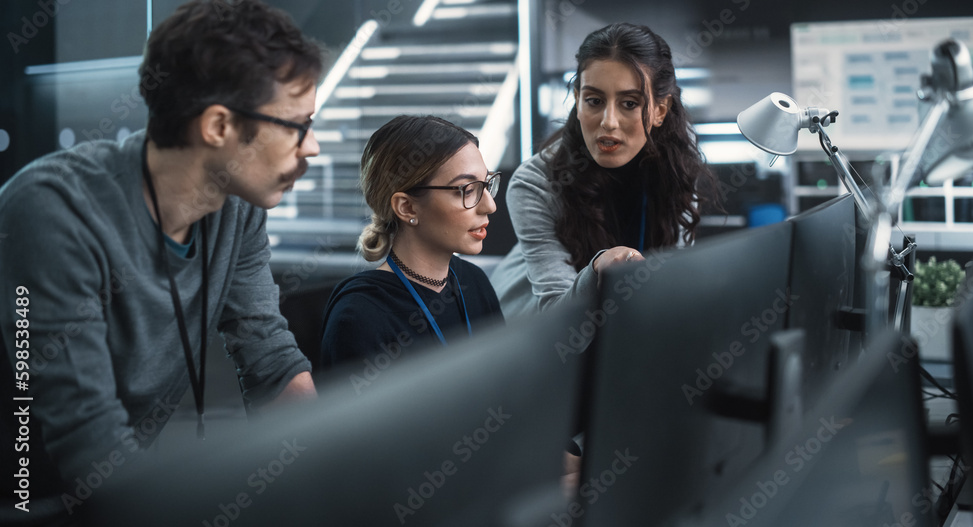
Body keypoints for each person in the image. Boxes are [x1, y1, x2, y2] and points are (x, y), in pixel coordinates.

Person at [0, 1, 324, 523]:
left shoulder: (237, 208)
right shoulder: (53, 210)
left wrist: (334, 472)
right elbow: (88, 440)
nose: (313, 147)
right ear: (218, 125)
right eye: (297, 125)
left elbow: (270, 356)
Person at [490, 22, 719, 319]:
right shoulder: (535, 183)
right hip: (529, 326)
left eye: (629, 103)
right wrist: (598, 270)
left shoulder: (677, 169)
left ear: (660, 111)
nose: (609, 121)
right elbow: (558, 312)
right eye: (594, 101)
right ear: (577, 100)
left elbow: (670, 290)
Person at [320, 115, 503, 380]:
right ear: (407, 207)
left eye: (486, 184)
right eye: (466, 189)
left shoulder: (474, 282)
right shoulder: (359, 316)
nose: (490, 206)